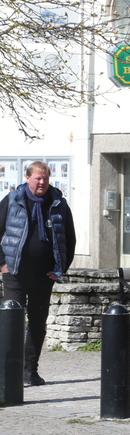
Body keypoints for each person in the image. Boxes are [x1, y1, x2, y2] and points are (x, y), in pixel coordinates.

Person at [0, 161, 77, 387]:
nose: (42, 182)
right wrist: (2, 263)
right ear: (27, 178)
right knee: (12, 321)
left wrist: (60, 268)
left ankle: (30, 370)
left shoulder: (59, 204)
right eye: (38, 178)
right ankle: (9, 370)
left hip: (44, 275)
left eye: (45, 178)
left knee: (37, 323)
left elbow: (69, 238)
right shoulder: (12, 200)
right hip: (15, 272)